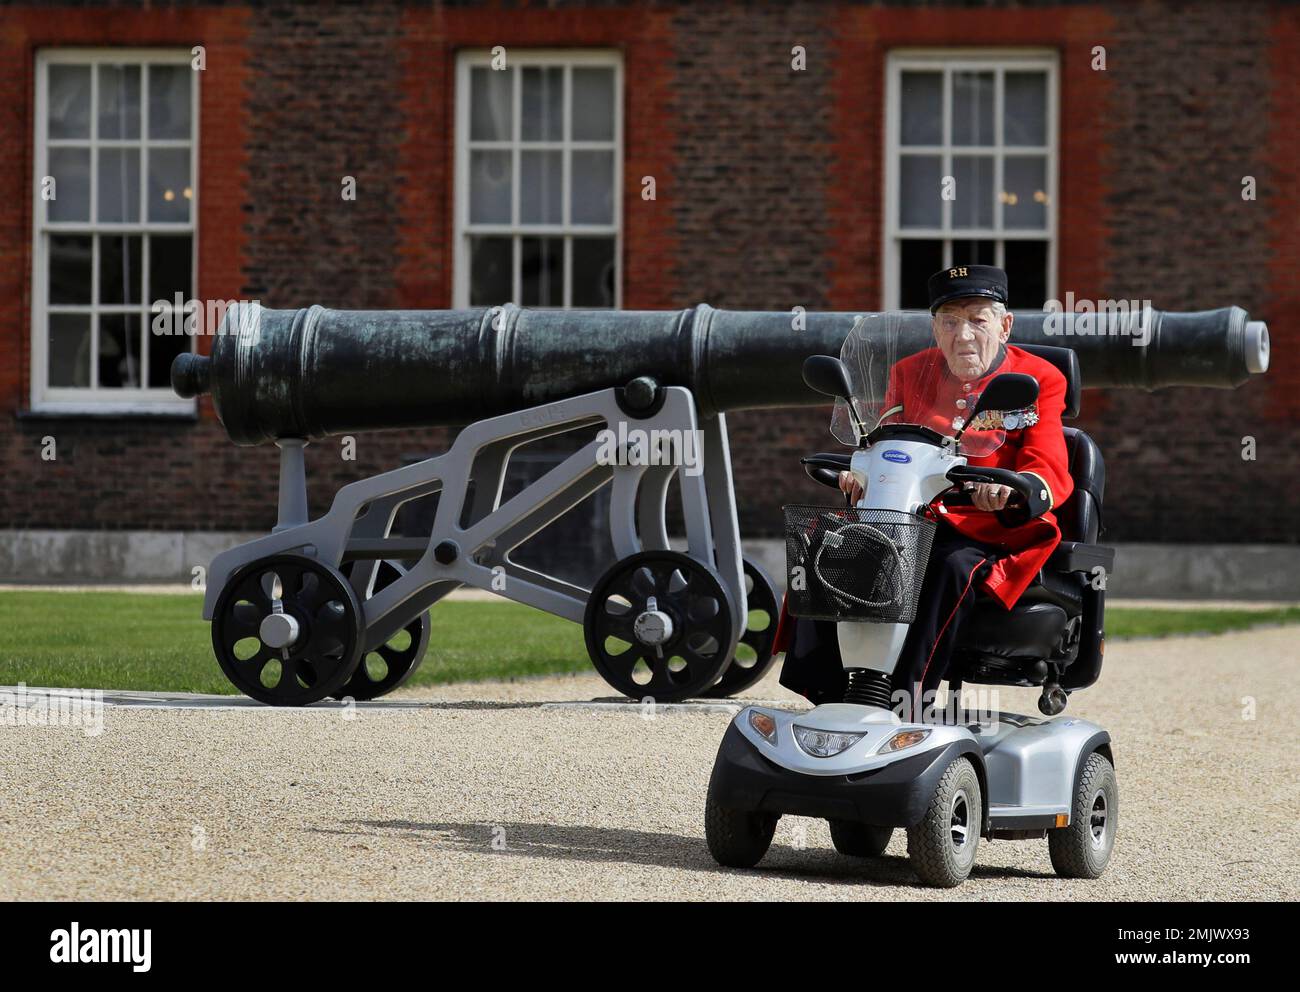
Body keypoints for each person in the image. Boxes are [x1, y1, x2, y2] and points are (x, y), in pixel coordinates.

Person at [775, 264, 1074, 720]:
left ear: (1005, 325)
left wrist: (1017, 490)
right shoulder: (909, 371)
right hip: (912, 513)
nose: (964, 335)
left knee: (950, 567)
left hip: (990, 528)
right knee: (827, 547)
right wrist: (862, 472)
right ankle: (831, 698)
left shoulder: (1038, 378)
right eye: (950, 321)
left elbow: (1047, 460)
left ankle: (909, 702)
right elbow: (885, 440)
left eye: (978, 319)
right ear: (935, 328)